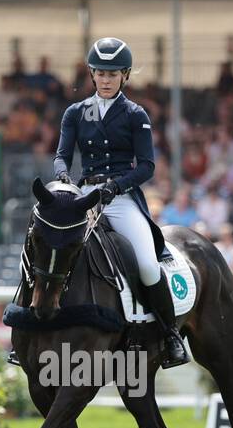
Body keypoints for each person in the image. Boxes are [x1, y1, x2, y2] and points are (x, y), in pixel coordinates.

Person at [52, 36, 188, 367]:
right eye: (100, 73)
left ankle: (170, 335)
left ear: (124, 75)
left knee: (145, 261)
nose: (106, 79)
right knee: (51, 248)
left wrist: (115, 187)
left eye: (113, 74)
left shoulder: (134, 114)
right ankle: (36, 327)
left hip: (121, 197)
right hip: (84, 195)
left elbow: (147, 166)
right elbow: (61, 156)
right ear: (92, 74)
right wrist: (65, 180)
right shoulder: (75, 113)